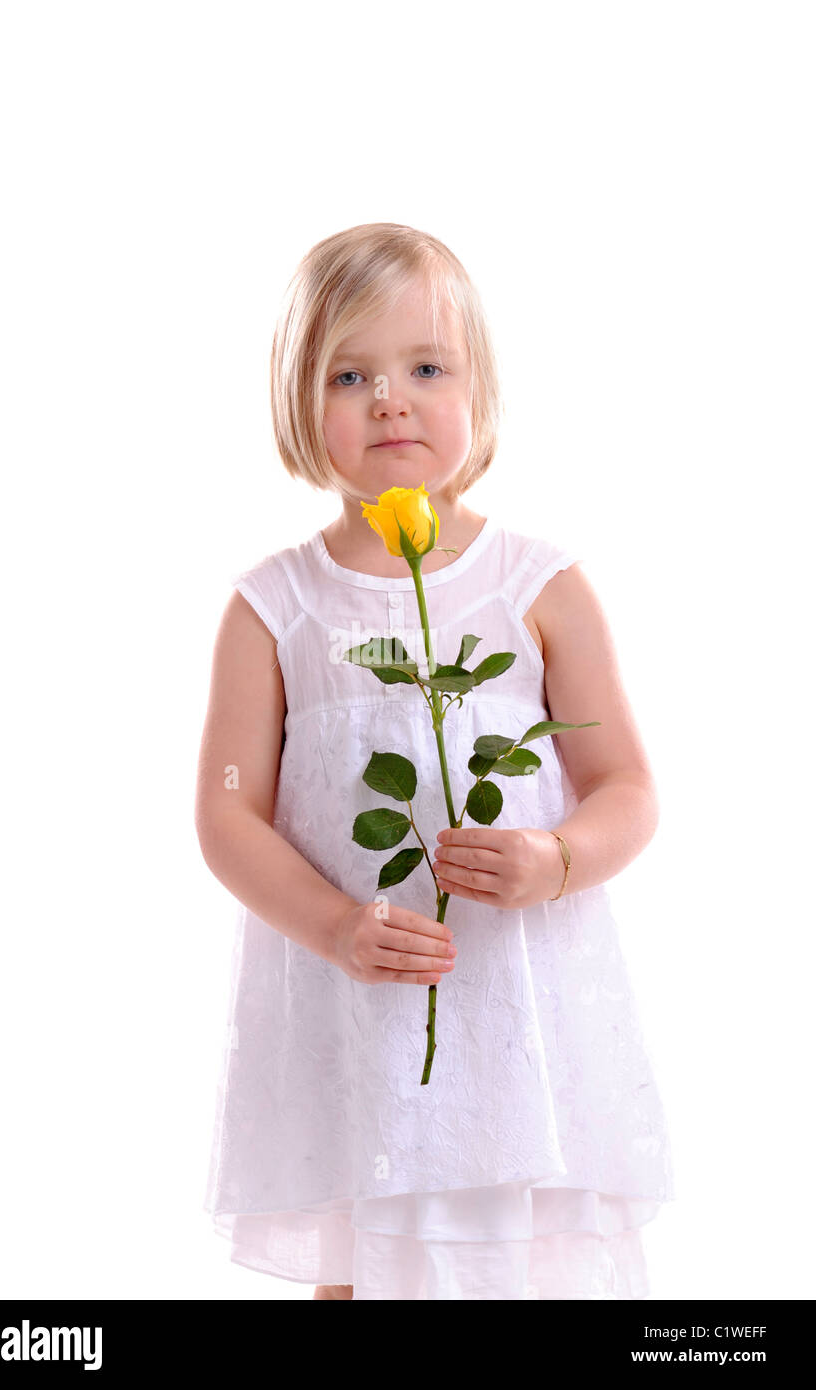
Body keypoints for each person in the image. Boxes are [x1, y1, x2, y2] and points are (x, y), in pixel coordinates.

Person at [195, 222, 674, 1300]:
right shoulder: (274, 607)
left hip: (509, 1005)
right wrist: (332, 925)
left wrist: (556, 856)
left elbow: (628, 788)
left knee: (518, 1252)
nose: (389, 399)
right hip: (356, 1008)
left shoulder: (537, 586)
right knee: (362, 1258)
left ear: (479, 394)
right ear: (297, 404)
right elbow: (228, 813)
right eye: (348, 374)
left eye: (425, 367)